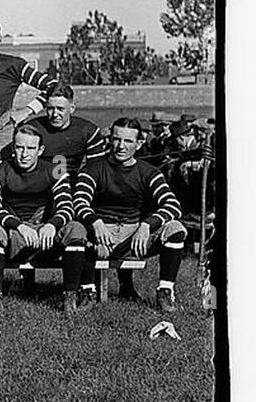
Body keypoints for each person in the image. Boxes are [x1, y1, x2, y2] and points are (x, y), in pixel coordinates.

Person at [73, 118, 188, 312]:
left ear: (139, 144)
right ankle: (87, 291)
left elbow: (173, 205)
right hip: (99, 236)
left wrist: (147, 225)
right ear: (110, 139)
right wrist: (95, 223)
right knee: (76, 229)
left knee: (176, 229)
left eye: (128, 141)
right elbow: (79, 202)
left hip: (134, 236)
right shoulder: (92, 169)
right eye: (116, 139)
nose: (121, 146)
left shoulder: (148, 172)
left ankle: (165, 291)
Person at [0, 124, 88, 314]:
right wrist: (20, 226)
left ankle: (69, 298)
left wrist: (52, 226)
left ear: (40, 150)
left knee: (76, 228)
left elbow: (66, 206)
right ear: (13, 148)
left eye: (30, 148)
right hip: (14, 235)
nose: (24, 154)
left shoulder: (55, 170)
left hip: (45, 236)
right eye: (20, 147)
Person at [21, 82, 104, 181]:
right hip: (39, 185)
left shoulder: (88, 131)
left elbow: (96, 170)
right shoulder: (33, 129)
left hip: (73, 185)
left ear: (72, 108)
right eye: (50, 109)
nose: (55, 114)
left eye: (60, 109)